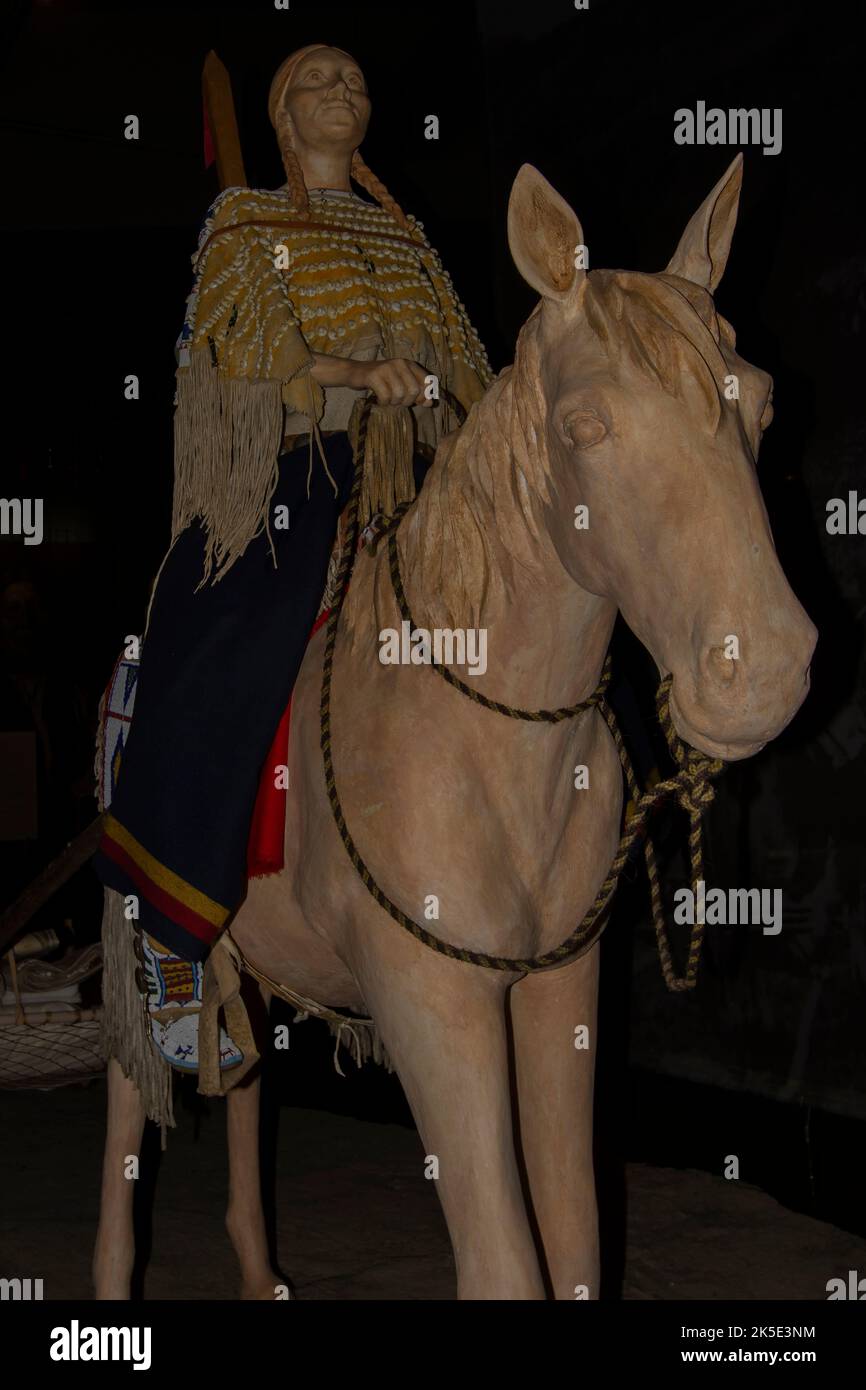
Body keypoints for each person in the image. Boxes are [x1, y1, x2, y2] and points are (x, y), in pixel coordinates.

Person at [94, 44, 493, 1069]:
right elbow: (231, 359)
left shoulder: (404, 238)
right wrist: (355, 373)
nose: (343, 93)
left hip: (426, 476)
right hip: (304, 471)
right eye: (318, 82)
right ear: (280, 115)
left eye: (357, 82)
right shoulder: (247, 222)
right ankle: (174, 940)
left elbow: (471, 372)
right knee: (235, 627)